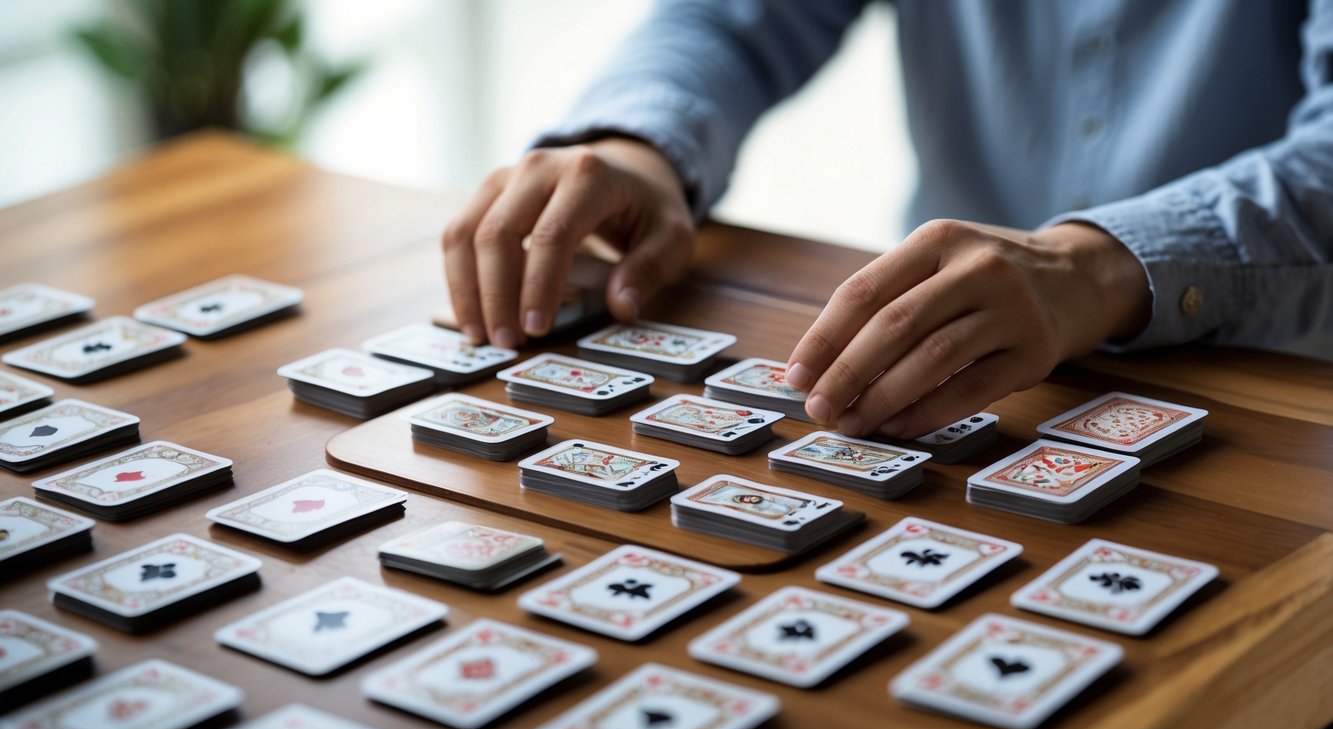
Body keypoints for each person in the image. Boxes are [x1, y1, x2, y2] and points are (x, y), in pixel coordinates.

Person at [442, 0, 1333, 439]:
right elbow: (729, 19)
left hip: (1283, 399)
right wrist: (639, 142)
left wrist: (1093, 266)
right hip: (941, 376)